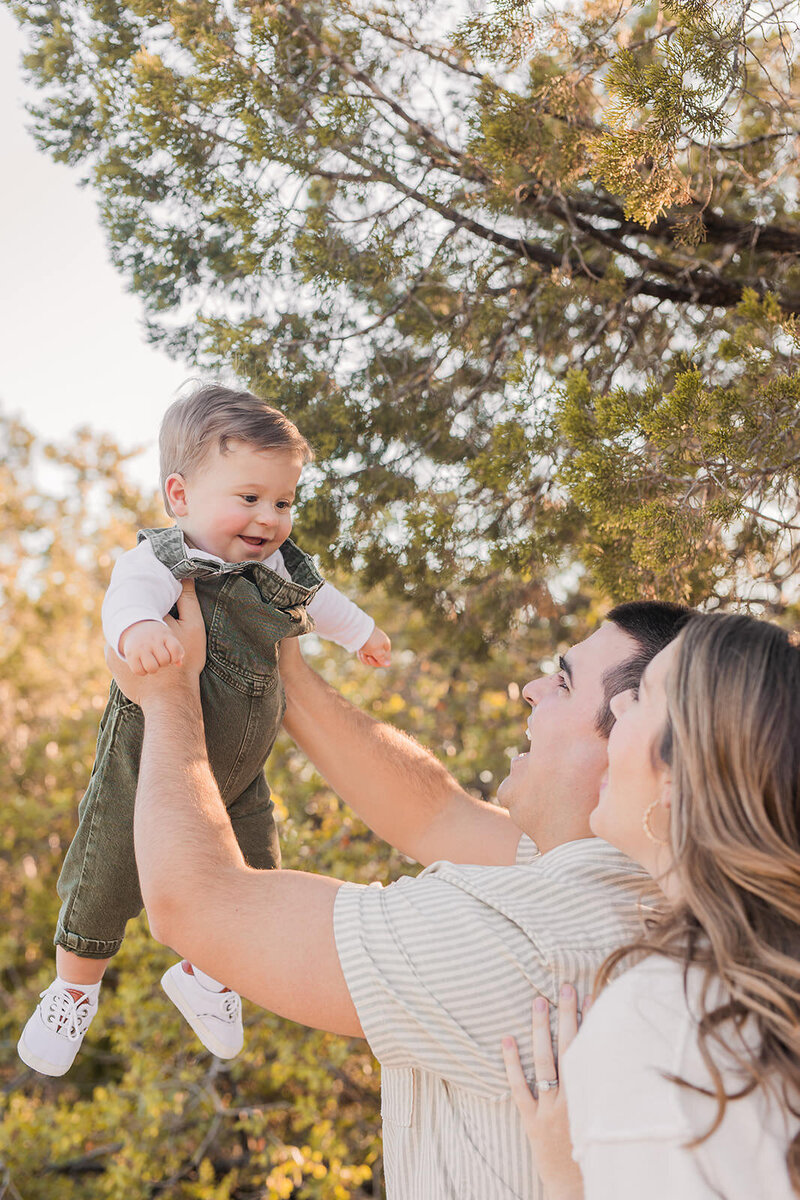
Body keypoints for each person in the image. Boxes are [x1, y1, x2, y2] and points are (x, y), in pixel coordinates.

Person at [103, 581, 690, 1199]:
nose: (532, 689)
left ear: (631, 742)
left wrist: (165, 693)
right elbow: (434, 815)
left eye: (564, 683)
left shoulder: (523, 935)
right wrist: (278, 661)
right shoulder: (633, 883)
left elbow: (195, 905)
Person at [17, 384, 391, 1078]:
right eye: (248, 498)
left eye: (283, 502)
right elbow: (123, 598)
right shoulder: (165, 561)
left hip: (240, 767)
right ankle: (73, 988)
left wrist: (361, 633)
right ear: (180, 496)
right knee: (106, 872)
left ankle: (206, 975)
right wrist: (138, 631)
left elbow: (322, 600)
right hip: (147, 765)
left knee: (254, 875)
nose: (269, 518)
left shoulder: (277, 567)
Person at [502, 613, 800, 1199]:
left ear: (678, 770)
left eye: (640, 697)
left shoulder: (664, 1017)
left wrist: (570, 1179)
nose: (613, 712)